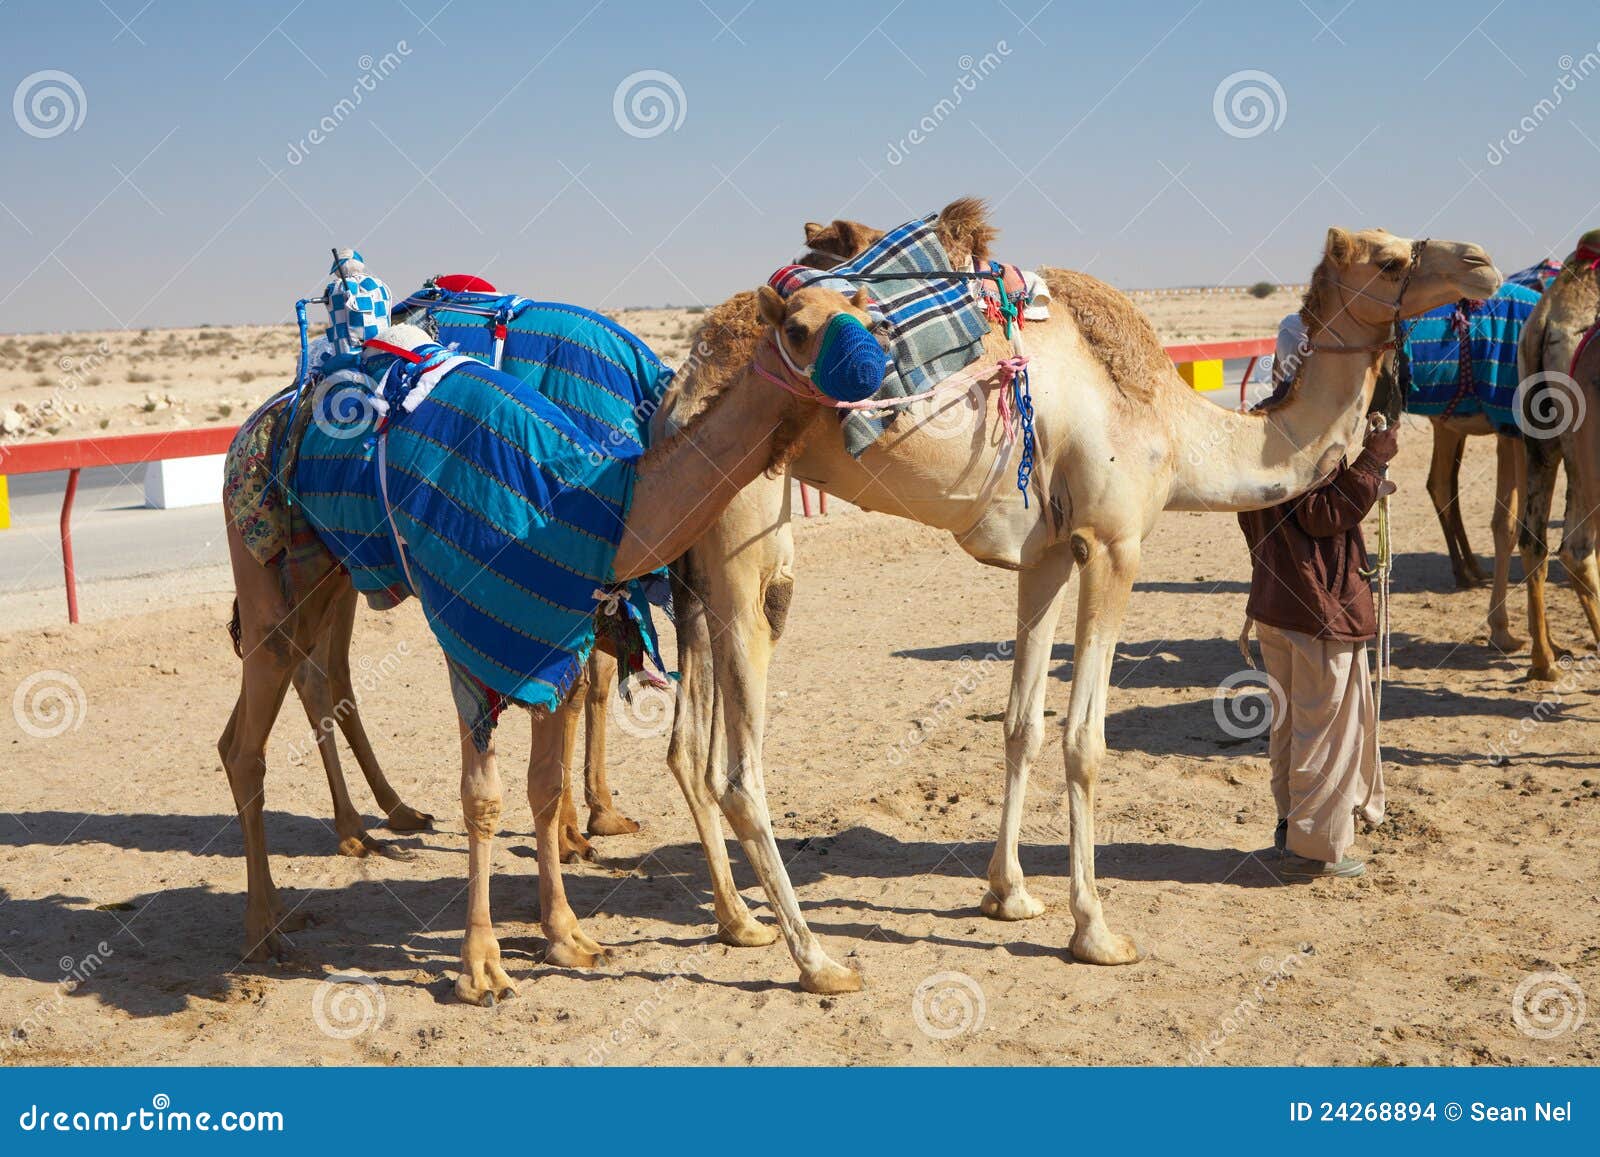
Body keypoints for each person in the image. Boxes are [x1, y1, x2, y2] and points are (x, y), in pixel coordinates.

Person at [1237, 410, 1397, 880]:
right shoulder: (1308, 433)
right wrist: (1371, 463)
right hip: (1316, 611)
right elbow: (1321, 514)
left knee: (1289, 727)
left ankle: (1293, 832)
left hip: (1275, 604)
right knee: (1323, 732)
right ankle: (1313, 849)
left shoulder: (1261, 430)